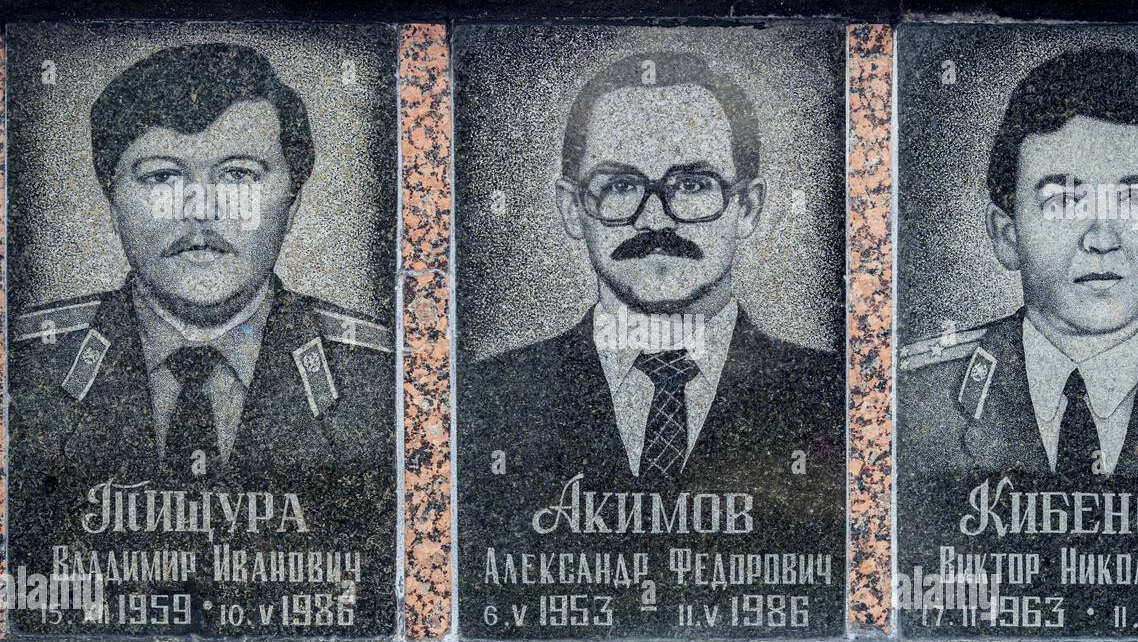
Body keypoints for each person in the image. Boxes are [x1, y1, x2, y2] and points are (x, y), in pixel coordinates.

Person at [458, 49, 842, 507]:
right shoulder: (485, 400)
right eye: (621, 186)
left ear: (748, 207)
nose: (656, 220)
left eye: (694, 184)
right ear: (572, 209)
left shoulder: (836, 396)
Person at [9, 43, 393, 481]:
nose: (200, 208)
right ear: (113, 204)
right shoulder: (27, 366)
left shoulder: (383, 377)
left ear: (293, 204)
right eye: (162, 176)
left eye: (238, 175)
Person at [898, 48, 1138, 479]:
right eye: (1063, 201)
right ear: (1007, 234)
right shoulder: (913, 401)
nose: (1101, 240)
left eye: (1136, 199)